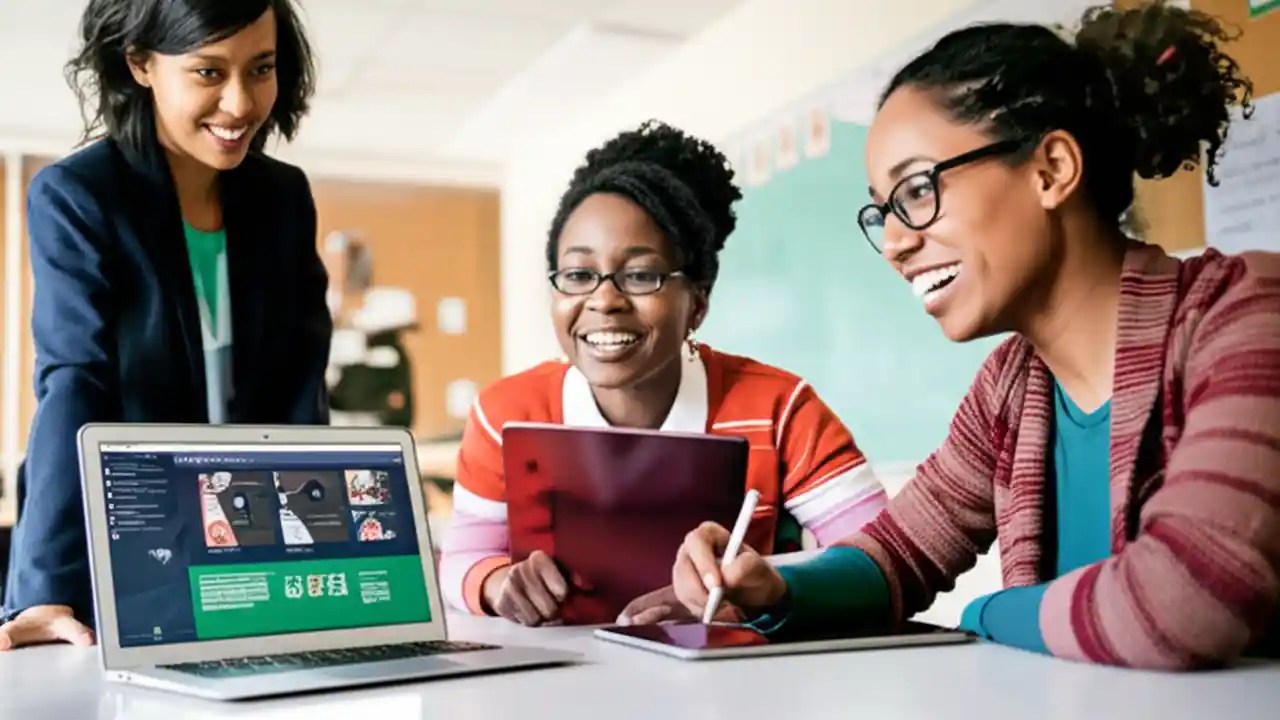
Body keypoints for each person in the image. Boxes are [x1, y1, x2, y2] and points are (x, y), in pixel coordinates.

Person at [672, 1, 1280, 671]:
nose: (896, 245)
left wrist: (984, 615)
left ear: (1050, 169)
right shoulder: (1011, 387)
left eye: (917, 191)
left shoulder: (1246, 313)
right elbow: (898, 553)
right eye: (883, 213)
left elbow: (1186, 601)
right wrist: (775, 585)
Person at [440, 120, 888, 627]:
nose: (604, 300)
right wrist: (500, 584)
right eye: (579, 275)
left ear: (697, 303)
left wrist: (748, 598)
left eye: (641, 275)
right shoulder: (504, 412)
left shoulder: (780, 409)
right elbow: (460, 559)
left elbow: (880, 557)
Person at [0, 0, 329, 651]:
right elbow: (76, 385)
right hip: (130, 545)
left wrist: (319, 552)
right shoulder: (80, 196)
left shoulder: (282, 198)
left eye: (260, 69)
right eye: (209, 73)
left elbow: (300, 389)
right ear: (141, 63)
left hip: (252, 550)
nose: (240, 103)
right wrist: (44, 589)